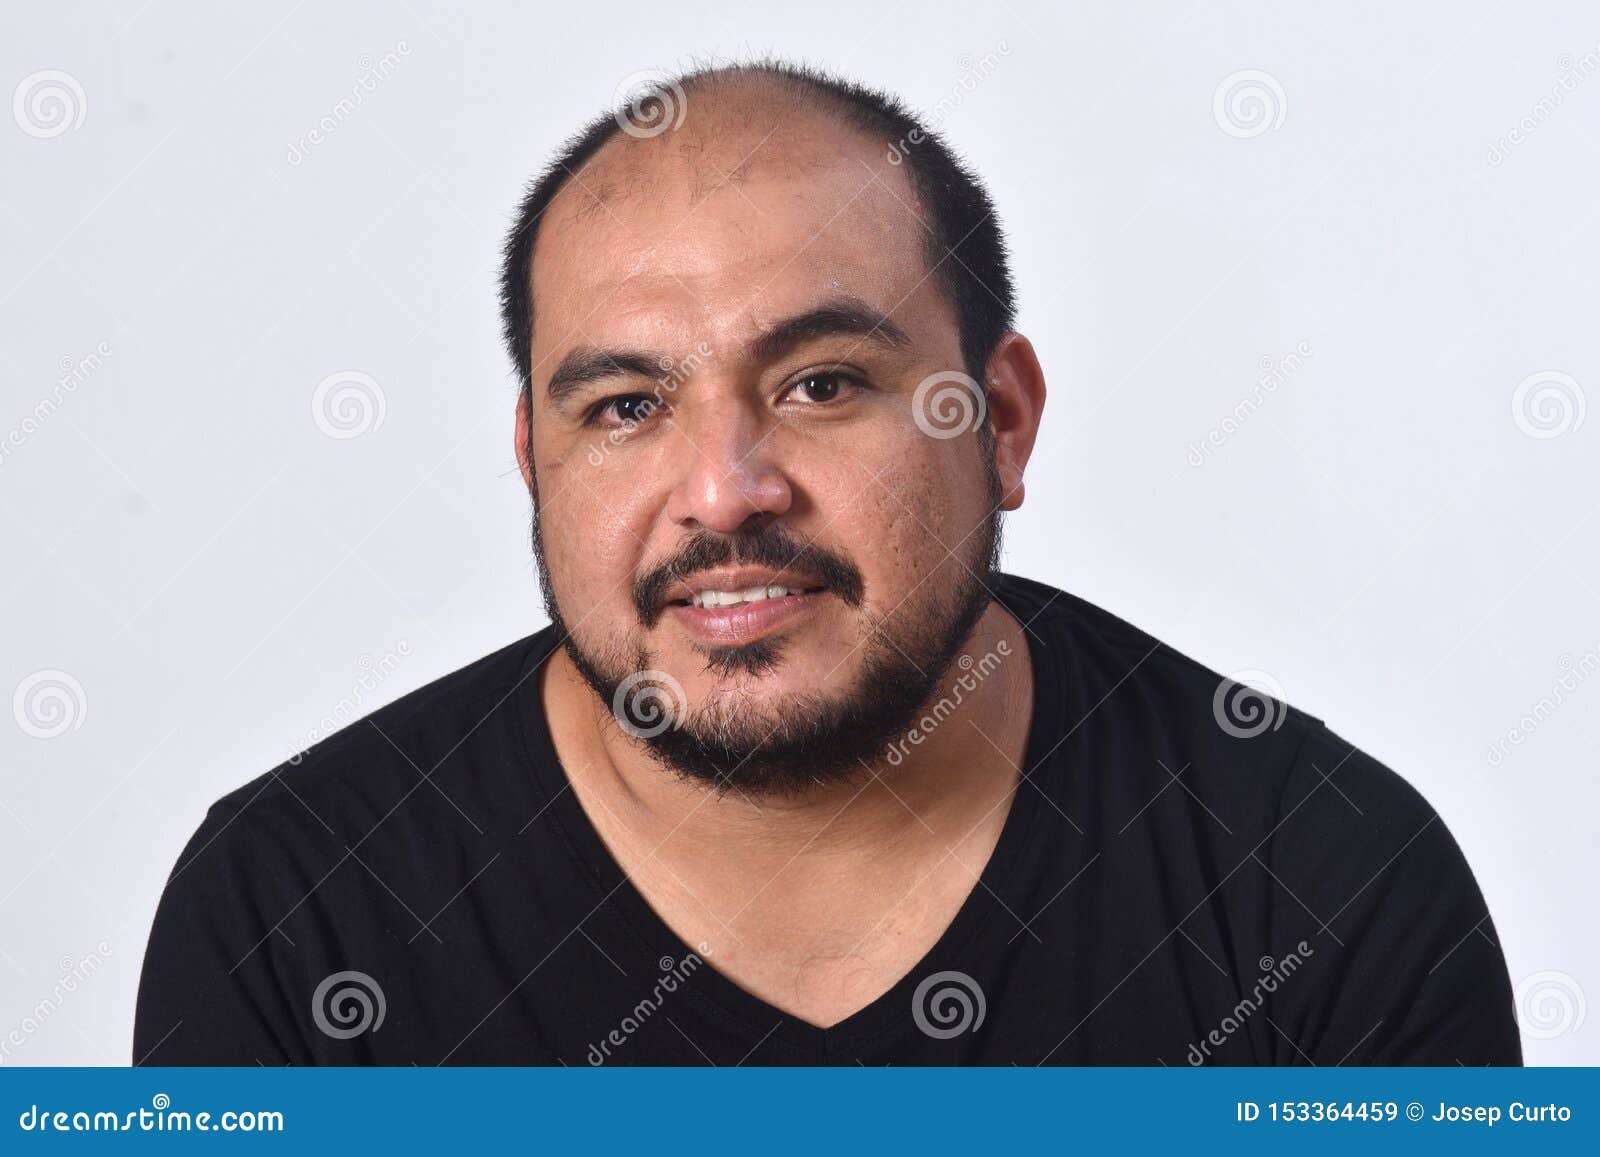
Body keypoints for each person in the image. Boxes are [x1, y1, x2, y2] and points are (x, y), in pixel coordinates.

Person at [134, 60, 1520, 1066]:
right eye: (625, 406)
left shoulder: (1318, 879)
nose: (726, 491)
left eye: (823, 383)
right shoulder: (300, 912)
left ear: (1002, 421)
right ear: (534, 462)